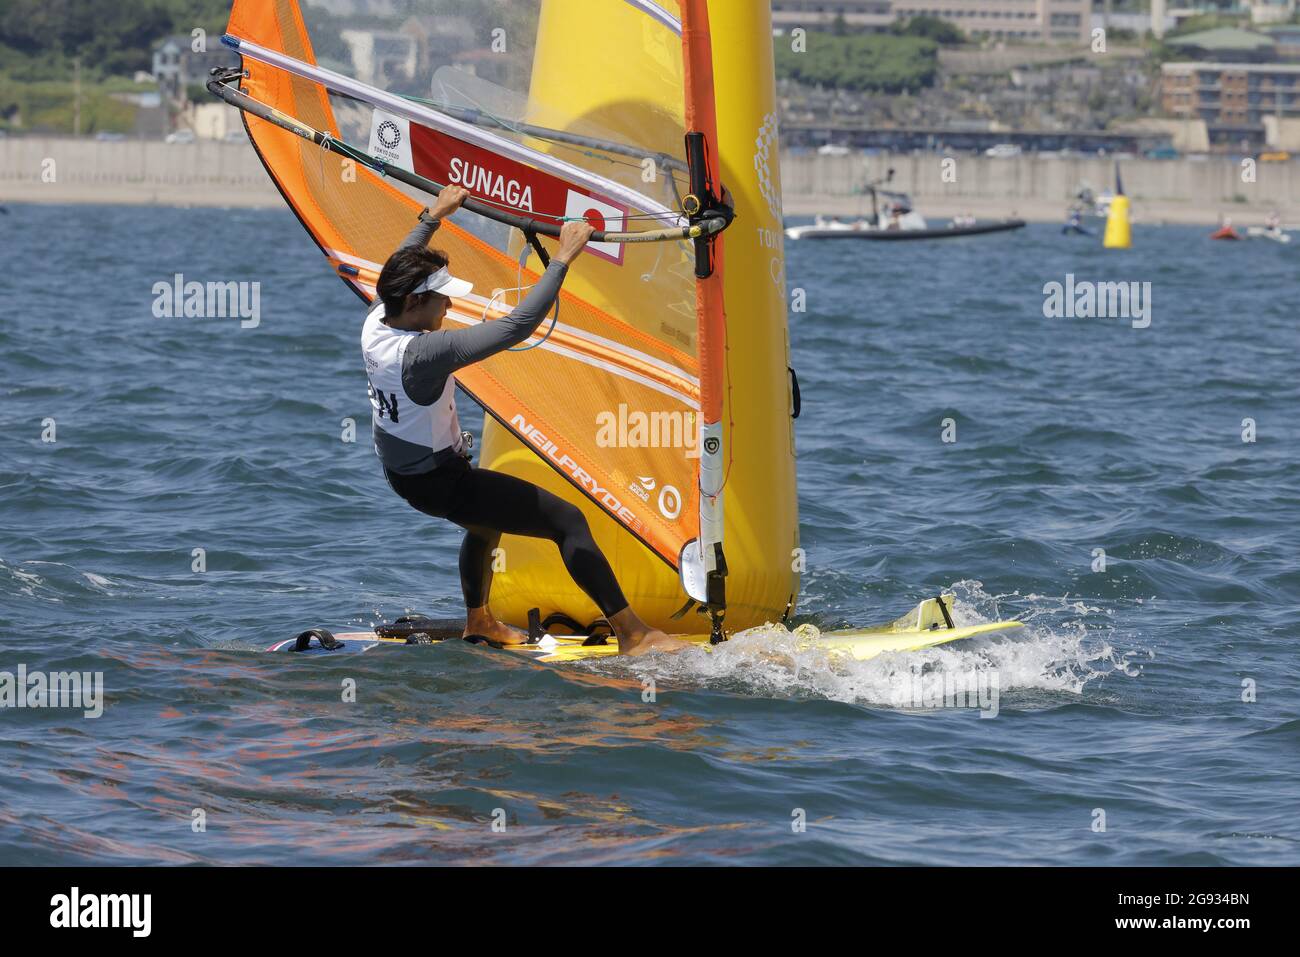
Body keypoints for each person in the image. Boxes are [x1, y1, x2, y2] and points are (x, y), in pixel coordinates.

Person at [363, 185, 690, 656]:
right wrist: (563, 258)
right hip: (438, 481)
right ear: (414, 304)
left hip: (408, 474)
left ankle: (479, 621)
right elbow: (517, 326)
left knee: (484, 521)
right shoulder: (425, 353)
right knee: (568, 522)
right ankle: (634, 636)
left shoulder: (378, 318)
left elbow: (400, 261)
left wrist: (432, 216)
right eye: (442, 300)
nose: (449, 308)